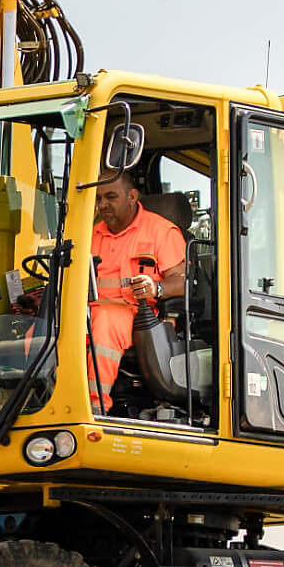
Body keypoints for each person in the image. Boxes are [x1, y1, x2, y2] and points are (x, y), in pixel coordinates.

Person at [87, 166, 189, 411]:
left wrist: (157, 288)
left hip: (137, 313)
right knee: (43, 327)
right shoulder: (91, 234)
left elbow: (184, 281)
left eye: (111, 197)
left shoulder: (161, 232)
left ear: (132, 196)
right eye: (98, 198)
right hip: (89, 309)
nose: (102, 204)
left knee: (104, 324)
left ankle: (93, 406)